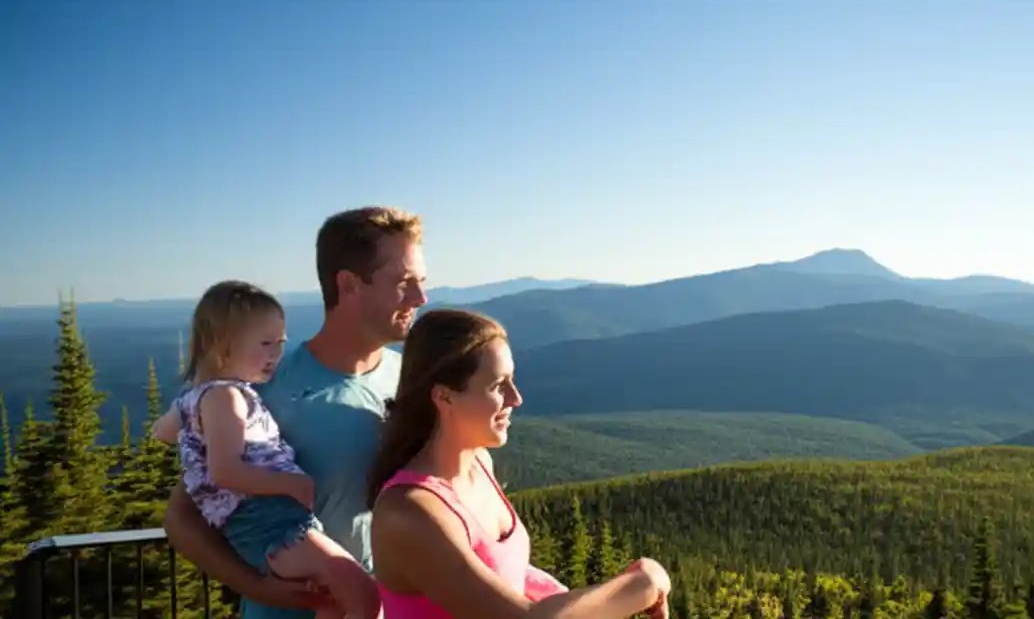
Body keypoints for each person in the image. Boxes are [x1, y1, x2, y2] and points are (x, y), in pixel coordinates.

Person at [162, 206, 429, 619]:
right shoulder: (257, 387)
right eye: (403, 282)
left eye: (421, 283)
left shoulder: (411, 376)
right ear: (349, 285)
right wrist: (260, 589)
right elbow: (182, 517)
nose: (420, 298)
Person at [367, 308, 672, 619]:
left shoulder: (479, 464)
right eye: (498, 385)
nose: (516, 398)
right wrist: (642, 584)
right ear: (444, 397)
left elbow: (508, 574)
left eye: (511, 381)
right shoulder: (408, 512)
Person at [152, 280, 379, 619]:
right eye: (265, 343)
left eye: (280, 343)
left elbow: (162, 432)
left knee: (331, 600)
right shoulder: (226, 397)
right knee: (360, 591)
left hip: (264, 518)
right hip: (268, 517)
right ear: (221, 345)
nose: (276, 354)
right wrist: (292, 484)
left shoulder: (198, 397)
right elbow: (225, 471)